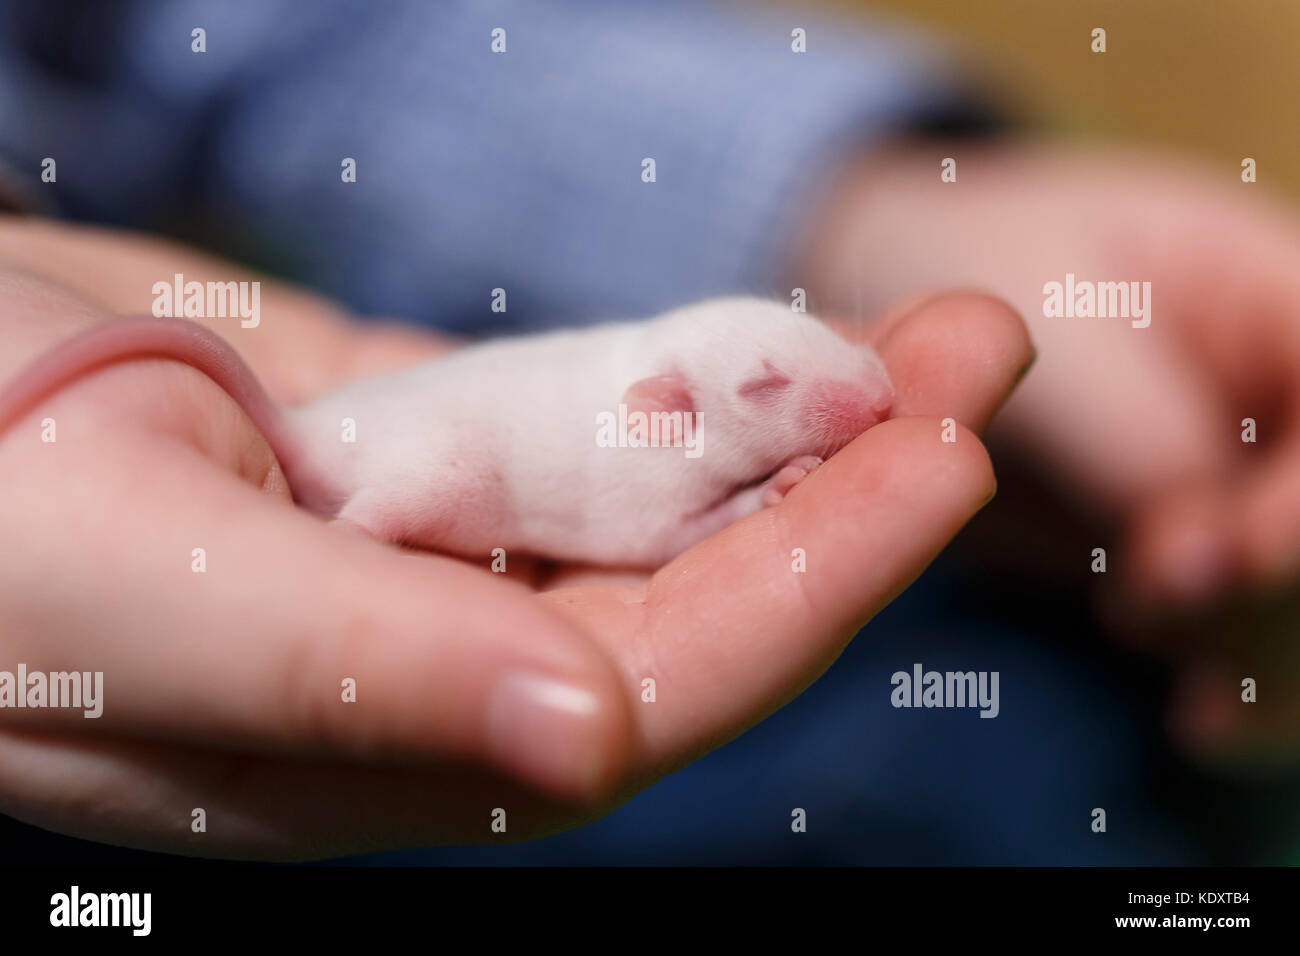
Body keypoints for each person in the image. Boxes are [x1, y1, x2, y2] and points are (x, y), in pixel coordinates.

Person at [0, 0, 1294, 863]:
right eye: (789, 398)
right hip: (377, 460)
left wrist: (864, 199)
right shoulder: (639, 447)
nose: (850, 398)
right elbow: (626, 530)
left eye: (829, 364)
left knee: (1024, 702)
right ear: (673, 408)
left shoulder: (695, 387)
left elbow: (289, 38)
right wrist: (740, 509)